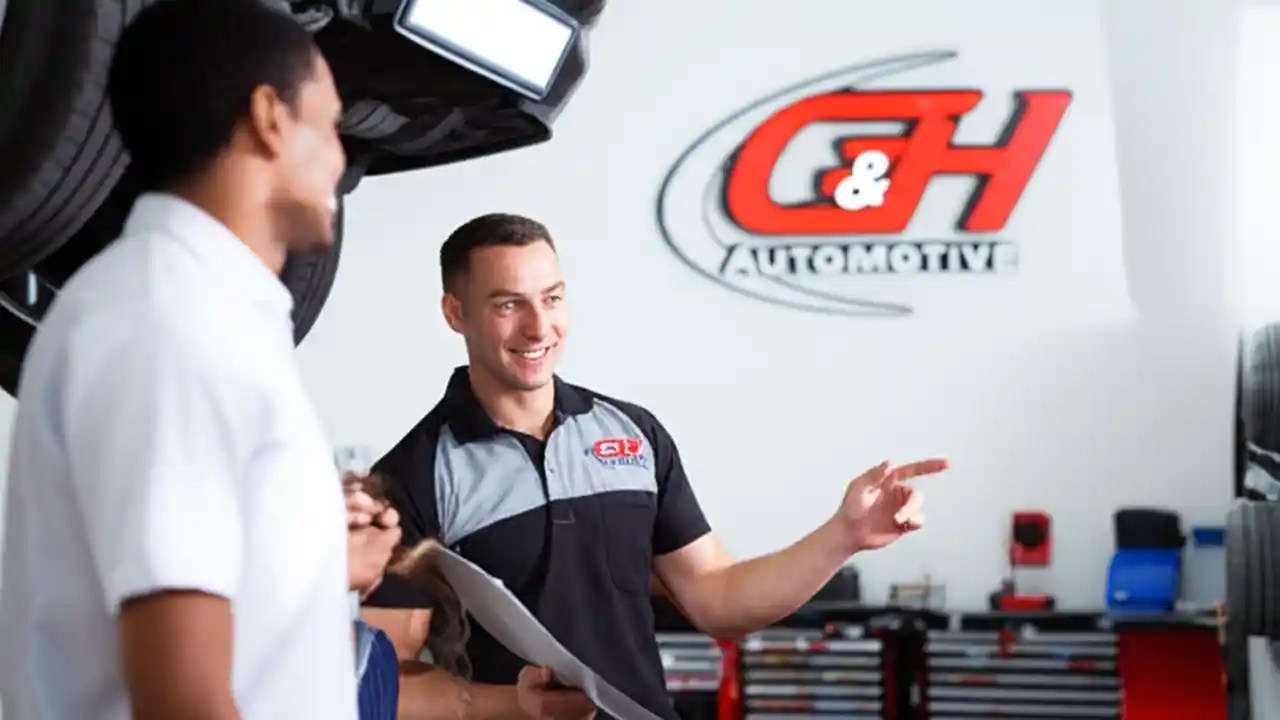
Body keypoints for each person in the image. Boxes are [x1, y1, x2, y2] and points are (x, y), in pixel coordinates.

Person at [360, 213, 947, 719]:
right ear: (455, 313)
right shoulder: (410, 476)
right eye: (509, 304)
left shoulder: (633, 436)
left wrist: (842, 537)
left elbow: (718, 601)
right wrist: (514, 707)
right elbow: (388, 685)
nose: (539, 327)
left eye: (553, 298)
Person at [0, 1, 400, 718]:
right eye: (330, 125)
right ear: (270, 116)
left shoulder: (202, 314)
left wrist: (315, 566)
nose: (341, 159)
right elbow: (181, 694)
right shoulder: (172, 322)